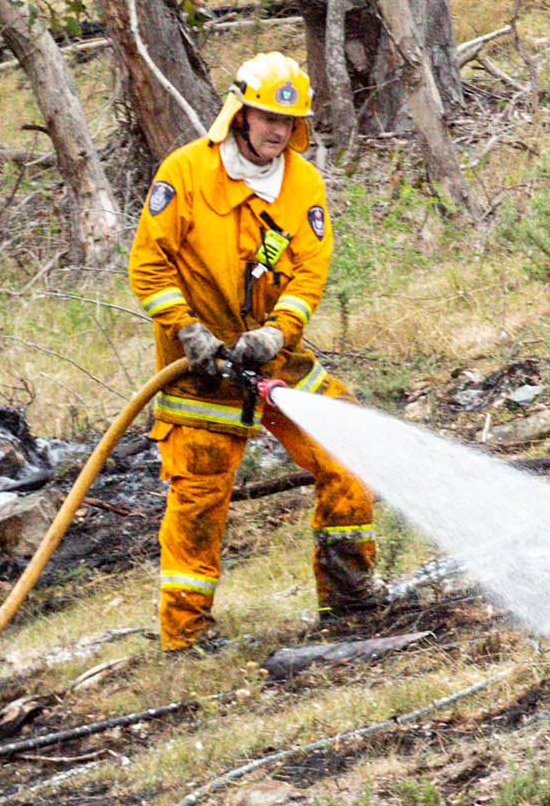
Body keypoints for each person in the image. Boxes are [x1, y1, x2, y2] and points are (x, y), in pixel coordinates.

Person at [129, 52, 383, 653]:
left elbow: (307, 276)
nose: (277, 130)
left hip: (274, 357)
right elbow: (148, 263)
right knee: (198, 501)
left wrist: (276, 333)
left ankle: (348, 597)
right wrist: (188, 330)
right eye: (267, 116)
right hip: (198, 371)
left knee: (349, 453)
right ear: (239, 113)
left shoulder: (303, 184)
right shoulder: (186, 173)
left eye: (289, 122)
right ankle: (186, 636)